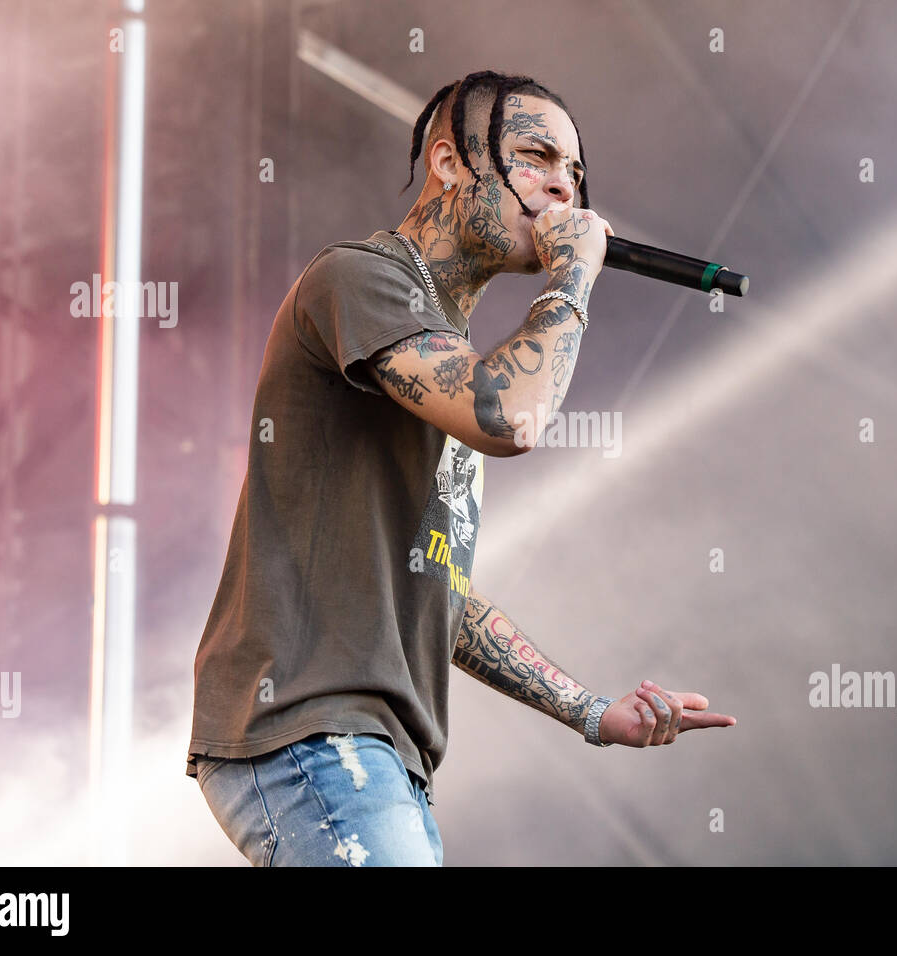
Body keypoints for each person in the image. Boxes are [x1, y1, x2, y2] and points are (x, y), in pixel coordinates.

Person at [186, 70, 736, 867]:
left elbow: (438, 588)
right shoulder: (359, 278)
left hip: (381, 757)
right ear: (449, 163)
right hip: (313, 728)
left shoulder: (445, 357)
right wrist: (573, 278)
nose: (563, 186)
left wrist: (590, 711)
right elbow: (511, 417)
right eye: (536, 155)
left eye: (575, 174)